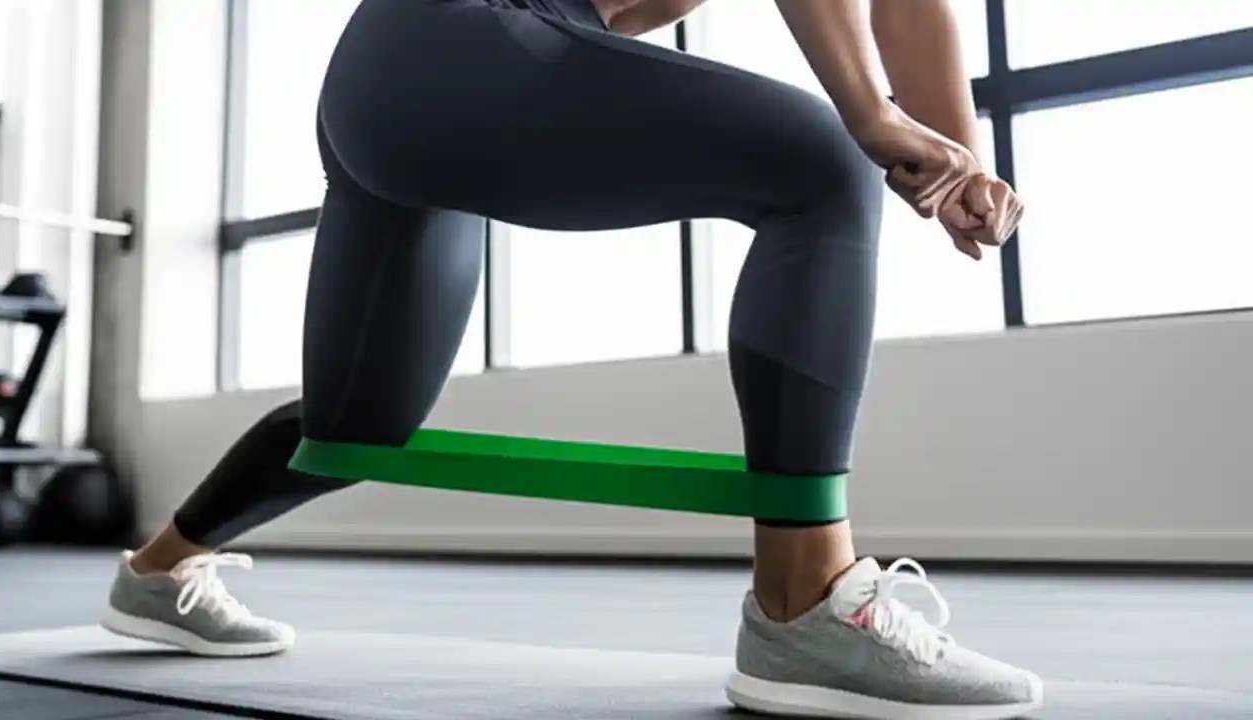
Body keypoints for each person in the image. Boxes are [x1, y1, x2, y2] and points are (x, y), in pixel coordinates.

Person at [99, 0, 1035, 717]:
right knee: (823, 165)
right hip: (474, 43)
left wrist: (965, 164)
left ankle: (155, 575)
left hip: (396, 76)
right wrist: (873, 116)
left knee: (357, 425)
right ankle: (807, 608)